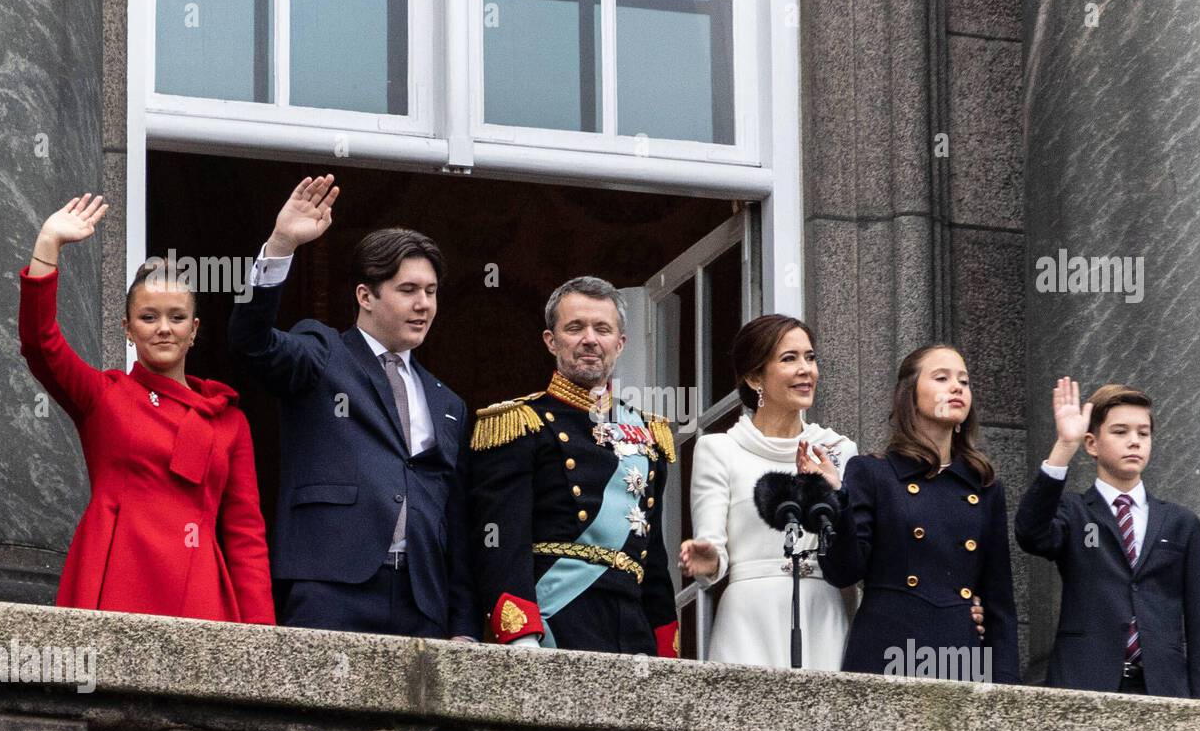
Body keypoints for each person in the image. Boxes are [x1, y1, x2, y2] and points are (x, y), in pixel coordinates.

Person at [228, 175, 478, 640]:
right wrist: (281, 244)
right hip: (330, 586)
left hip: (422, 600)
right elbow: (250, 344)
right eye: (408, 290)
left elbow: (456, 519)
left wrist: (463, 624)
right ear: (366, 296)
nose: (423, 304)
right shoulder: (321, 352)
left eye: (431, 291)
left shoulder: (448, 403)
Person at [19, 195, 273, 624]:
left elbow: (246, 536)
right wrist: (48, 246)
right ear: (128, 328)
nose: (163, 329)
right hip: (116, 577)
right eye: (148, 317)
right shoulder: (104, 395)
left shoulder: (229, 421)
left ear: (193, 330)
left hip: (199, 590)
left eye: (176, 318)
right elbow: (41, 345)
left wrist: (263, 639)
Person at [469, 277, 678, 655]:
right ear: (551, 340)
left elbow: (654, 558)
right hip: (556, 620)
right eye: (575, 327)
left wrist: (665, 645)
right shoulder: (522, 423)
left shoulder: (648, 434)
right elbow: (500, 537)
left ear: (620, 344)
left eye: (602, 329)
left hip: (632, 631)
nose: (589, 339)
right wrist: (521, 632)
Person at [813, 345, 1018, 683]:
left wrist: (1009, 691)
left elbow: (999, 602)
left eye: (964, 382)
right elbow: (843, 570)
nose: (956, 388)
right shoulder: (873, 473)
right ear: (910, 395)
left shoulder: (985, 487)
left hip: (961, 655)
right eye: (941, 378)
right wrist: (837, 498)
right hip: (886, 648)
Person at [1014, 379, 1200, 698]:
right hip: (1083, 683)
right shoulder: (1074, 511)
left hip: (1163, 688)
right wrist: (1064, 447)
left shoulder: (1181, 523)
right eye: (1120, 431)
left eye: (1143, 433)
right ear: (1092, 444)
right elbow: (1031, 533)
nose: (1134, 441)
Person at [678, 315, 858, 669]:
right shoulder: (719, 449)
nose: (806, 369)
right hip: (749, 616)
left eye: (810, 357)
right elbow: (712, 548)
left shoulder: (838, 450)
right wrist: (708, 558)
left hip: (825, 611)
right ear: (754, 376)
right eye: (789, 359)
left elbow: (857, 545)